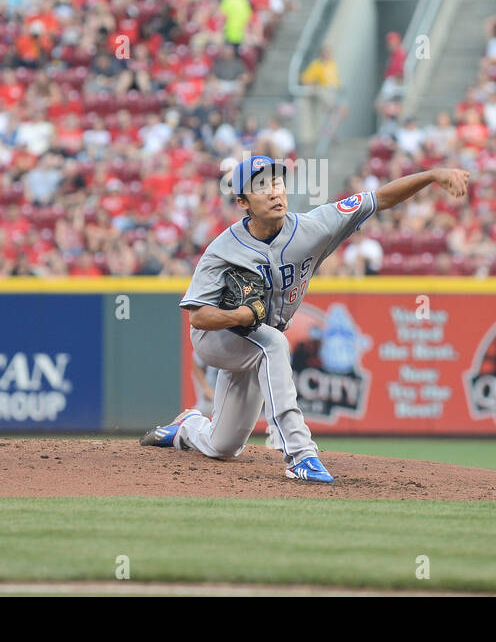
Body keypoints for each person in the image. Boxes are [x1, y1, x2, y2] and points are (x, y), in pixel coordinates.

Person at [141, 156, 471, 482]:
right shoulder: (222, 249)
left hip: (257, 340)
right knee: (272, 341)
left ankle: (187, 427)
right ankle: (301, 455)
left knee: (223, 445)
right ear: (242, 201)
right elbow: (198, 317)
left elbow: (379, 198)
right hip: (217, 339)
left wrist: (431, 175)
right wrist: (239, 314)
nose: (272, 192)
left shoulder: (313, 228)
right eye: (259, 187)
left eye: (276, 182)